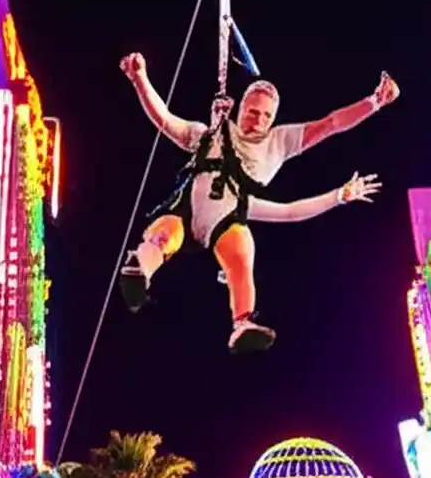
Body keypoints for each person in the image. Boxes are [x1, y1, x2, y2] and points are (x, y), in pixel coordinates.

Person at [117, 51, 400, 353]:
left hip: (226, 219)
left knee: (241, 254)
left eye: (267, 116)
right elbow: (165, 120)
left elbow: (331, 124)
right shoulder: (208, 132)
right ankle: (138, 272)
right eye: (253, 113)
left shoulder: (278, 143)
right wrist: (140, 79)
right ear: (241, 109)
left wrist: (374, 102)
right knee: (162, 236)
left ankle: (243, 323)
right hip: (187, 208)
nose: (259, 121)